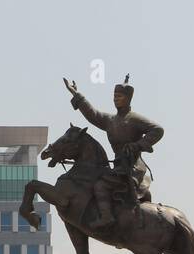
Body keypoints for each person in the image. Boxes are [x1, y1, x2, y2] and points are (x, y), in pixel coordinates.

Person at [64, 77, 164, 230]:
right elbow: (93, 114)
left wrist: (138, 145)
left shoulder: (135, 119)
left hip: (132, 167)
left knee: (100, 185)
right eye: (114, 96)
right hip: (118, 167)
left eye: (119, 96)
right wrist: (76, 94)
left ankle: (107, 217)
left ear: (128, 98)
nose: (115, 99)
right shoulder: (110, 120)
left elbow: (157, 130)